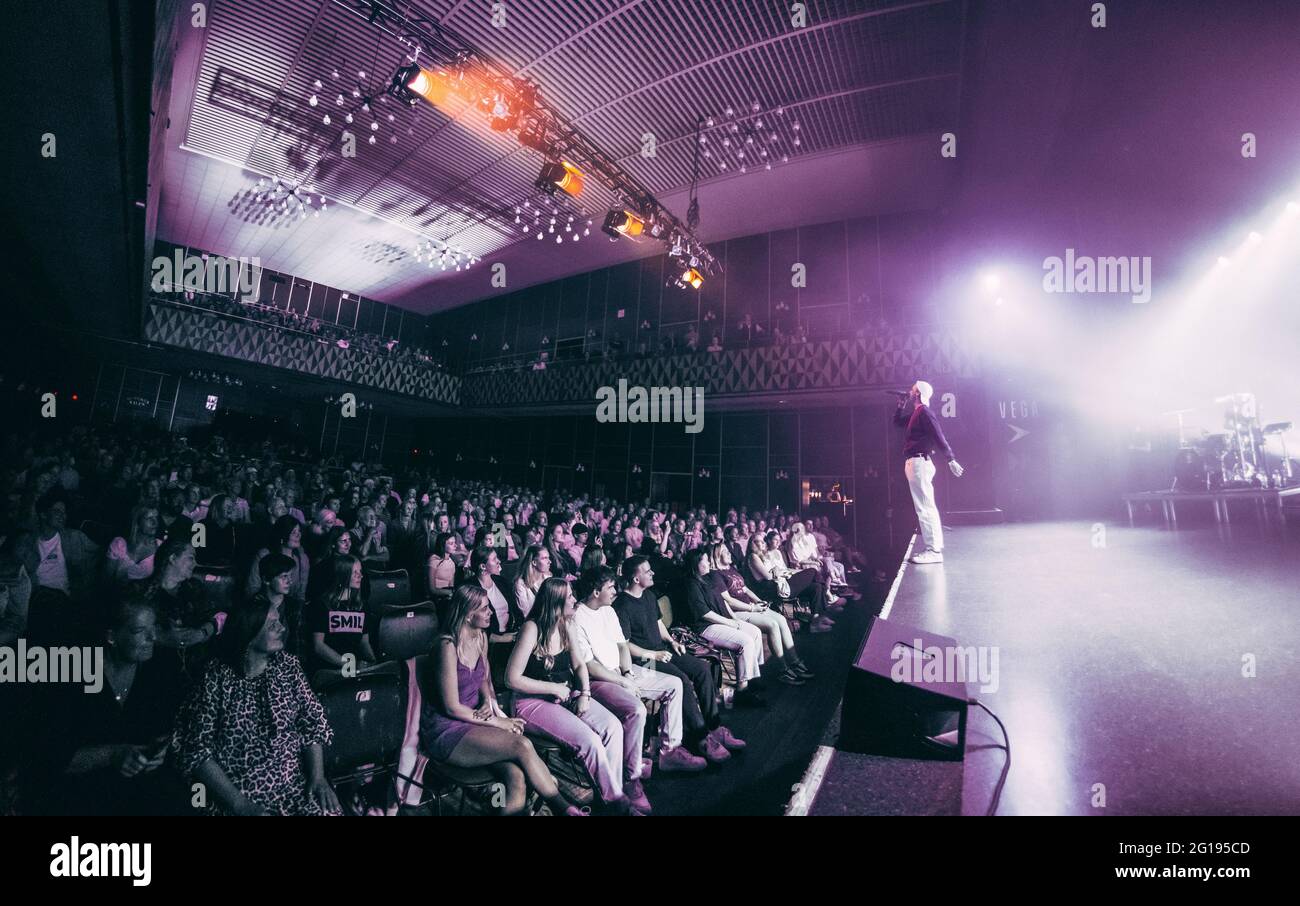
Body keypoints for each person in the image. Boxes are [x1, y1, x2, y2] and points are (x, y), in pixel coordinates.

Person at [419, 584, 584, 817]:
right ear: (467, 614)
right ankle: (563, 807)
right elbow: (451, 707)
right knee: (522, 745)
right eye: (485, 609)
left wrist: (487, 699)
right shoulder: (447, 646)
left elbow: (484, 678)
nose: (491, 613)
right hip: (448, 729)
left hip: (475, 719)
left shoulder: (480, 637)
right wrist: (497, 722)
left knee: (515, 775)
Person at [171, 597, 341, 815]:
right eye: (272, 624)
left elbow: (312, 723)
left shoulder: (289, 667)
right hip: (236, 794)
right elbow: (196, 751)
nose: (281, 628)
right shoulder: (215, 677)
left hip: (293, 786)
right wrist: (240, 805)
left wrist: (318, 778)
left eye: (279, 621)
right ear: (249, 634)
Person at [27, 596, 189, 815]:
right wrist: (112, 755)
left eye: (154, 628)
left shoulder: (158, 670)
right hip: (78, 792)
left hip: (136, 790)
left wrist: (159, 749)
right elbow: (48, 757)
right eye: (139, 630)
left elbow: (165, 728)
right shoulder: (71, 675)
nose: (153, 637)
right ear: (112, 637)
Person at [506, 578, 635, 814]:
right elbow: (512, 679)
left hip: (565, 693)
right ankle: (618, 806)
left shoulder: (568, 624)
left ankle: (612, 795)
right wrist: (553, 689)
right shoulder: (532, 628)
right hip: (530, 702)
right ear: (556, 603)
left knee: (613, 727)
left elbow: (578, 665)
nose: (575, 600)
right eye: (570, 597)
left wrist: (585, 693)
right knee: (590, 742)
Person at [570, 567, 707, 780]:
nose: (616, 590)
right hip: (600, 680)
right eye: (610, 587)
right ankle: (631, 775)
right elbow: (589, 665)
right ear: (596, 592)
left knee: (675, 684)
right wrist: (622, 680)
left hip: (626, 669)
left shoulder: (609, 609)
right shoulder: (578, 617)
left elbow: (623, 646)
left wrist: (627, 672)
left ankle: (670, 751)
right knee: (637, 709)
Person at [614, 556, 745, 762]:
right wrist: (654, 654)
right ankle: (701, 738)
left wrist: (671, 641)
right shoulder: (621, 605)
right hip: (644, 660)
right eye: (647, 571)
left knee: (702, 669)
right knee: (682, 681)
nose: (653, 573)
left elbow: (658, 624)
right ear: (636, 578)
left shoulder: (648, 596)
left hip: (662, 650)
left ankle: (714, 726)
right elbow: (625, 645)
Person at [708, 543, 813, 686]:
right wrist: (752, 608)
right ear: (717, 555)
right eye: (725, 551)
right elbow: (729, 601)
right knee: (772, 625)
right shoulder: (715, 575)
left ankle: (795, 662)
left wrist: (759, 602)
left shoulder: (731, 569)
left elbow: (745, 590)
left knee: (782, 620)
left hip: (751, 606)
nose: (729, 553)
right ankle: (783, 670)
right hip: (738, 612)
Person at [681, 548, 766, 705]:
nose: (708, 562)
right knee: (745, 642)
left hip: (721, 621)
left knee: (754, 632)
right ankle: (742, 690)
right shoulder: (690, 584)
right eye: (704, 560)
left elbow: (723, 602)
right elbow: (704, 613)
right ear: (695, 564)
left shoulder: (707, 578)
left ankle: (753, 677)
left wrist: (735, 620)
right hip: (705, 627)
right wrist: (730, 623)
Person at [892, 380, 963, 564]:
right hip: (915, 462)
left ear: (918, 393)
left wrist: (951, 458)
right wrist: (900, 405)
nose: (910, 390)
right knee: (924, 506)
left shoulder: (924, 412)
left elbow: (938, 435)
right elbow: (897, 422)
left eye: (913, 389)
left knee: (924, 507)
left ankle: (933, 551)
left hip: (919, 462)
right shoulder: (917, 413)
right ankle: (934, 547)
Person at [304, 554, 376, 677]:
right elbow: (318, 646)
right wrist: (349, 665)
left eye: (360, 571)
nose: (361, 576)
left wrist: (373, 663)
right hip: (331, 669)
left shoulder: (362, 606)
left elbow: (364, 643)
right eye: (355, 573)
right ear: (343, 575)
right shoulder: (322, 605)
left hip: (354, 669)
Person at [105, 504, 161, 586]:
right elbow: (106, 579)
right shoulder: (119, 544)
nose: (155, 523)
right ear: (137, 522)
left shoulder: (161, 547)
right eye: (149, 518)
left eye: (156, 518)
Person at [512, 545, 551, 621]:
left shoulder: (548, 578)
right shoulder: (520, 584)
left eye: (548, 558)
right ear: (534, 562)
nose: (549, 561)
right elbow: (526, 614)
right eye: (544, 558)